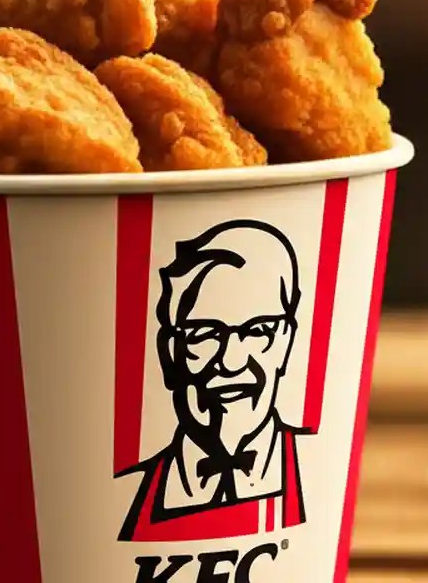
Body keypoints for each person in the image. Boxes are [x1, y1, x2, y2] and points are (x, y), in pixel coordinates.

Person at [119, 220, 307, 541]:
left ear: (285, 343)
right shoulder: (118, 493)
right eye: (205, 334)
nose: (231, 362)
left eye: (258, 331)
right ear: (169, 353)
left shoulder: (324, 470)